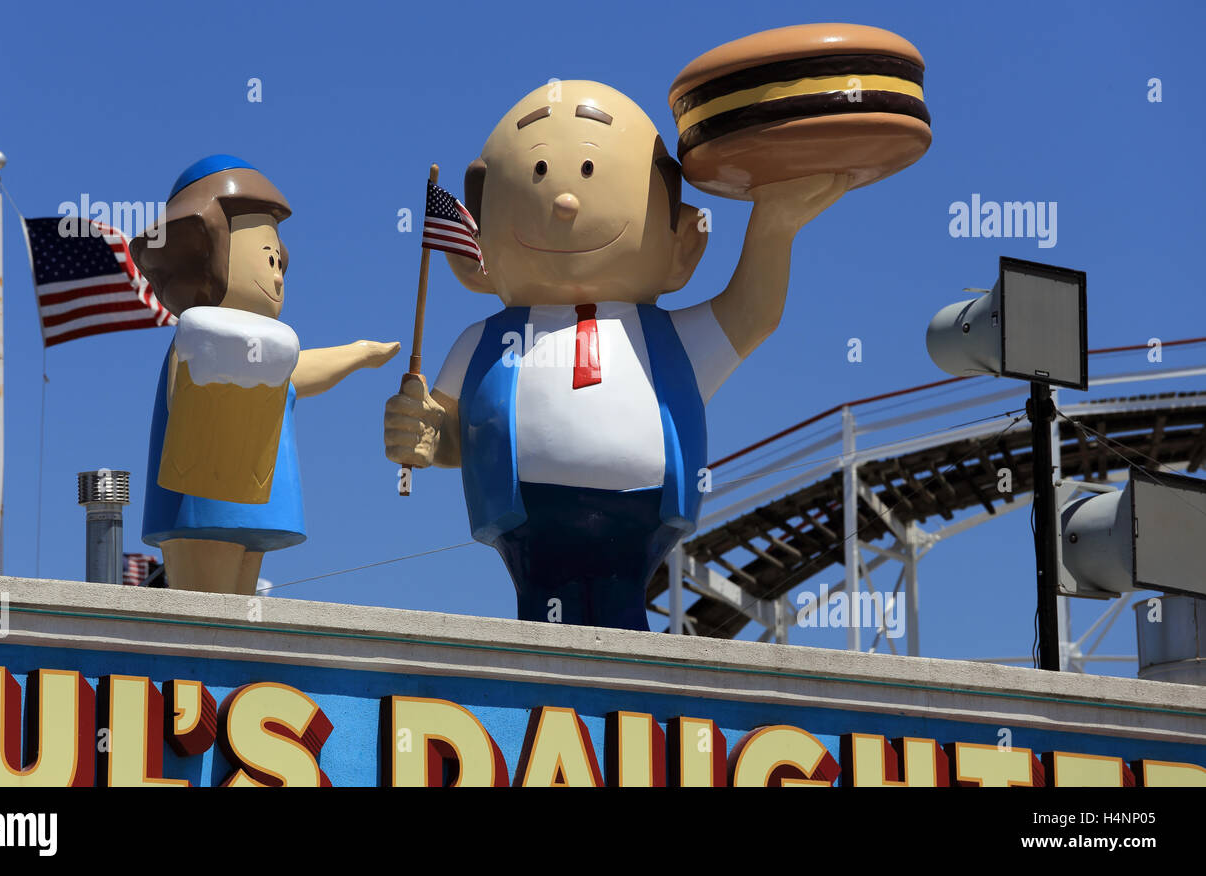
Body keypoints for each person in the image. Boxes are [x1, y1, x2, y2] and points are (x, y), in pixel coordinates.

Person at [383, 83, 849, 631]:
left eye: (587, 171)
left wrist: (775, 224)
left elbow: (753, 313)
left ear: (680, 236)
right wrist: (422, 432)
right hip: (528, 518)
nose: (565, 201)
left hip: (642, 518)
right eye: (539, 173)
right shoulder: (482, 342)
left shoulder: (670, 339)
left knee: (625, 626)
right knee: (543, 622)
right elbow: (449, 434)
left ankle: (622, 706)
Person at [132, 155, 399, 594]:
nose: (277, 277)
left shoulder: (262, 349)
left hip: (253, 505)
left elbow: (295, 375)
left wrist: (358, 353)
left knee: (239, 611)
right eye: (266, 258)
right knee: (209, 616)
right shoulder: (197, 338)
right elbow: (194, 401)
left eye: (279, 263)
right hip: (202, 506)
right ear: (206, 249)